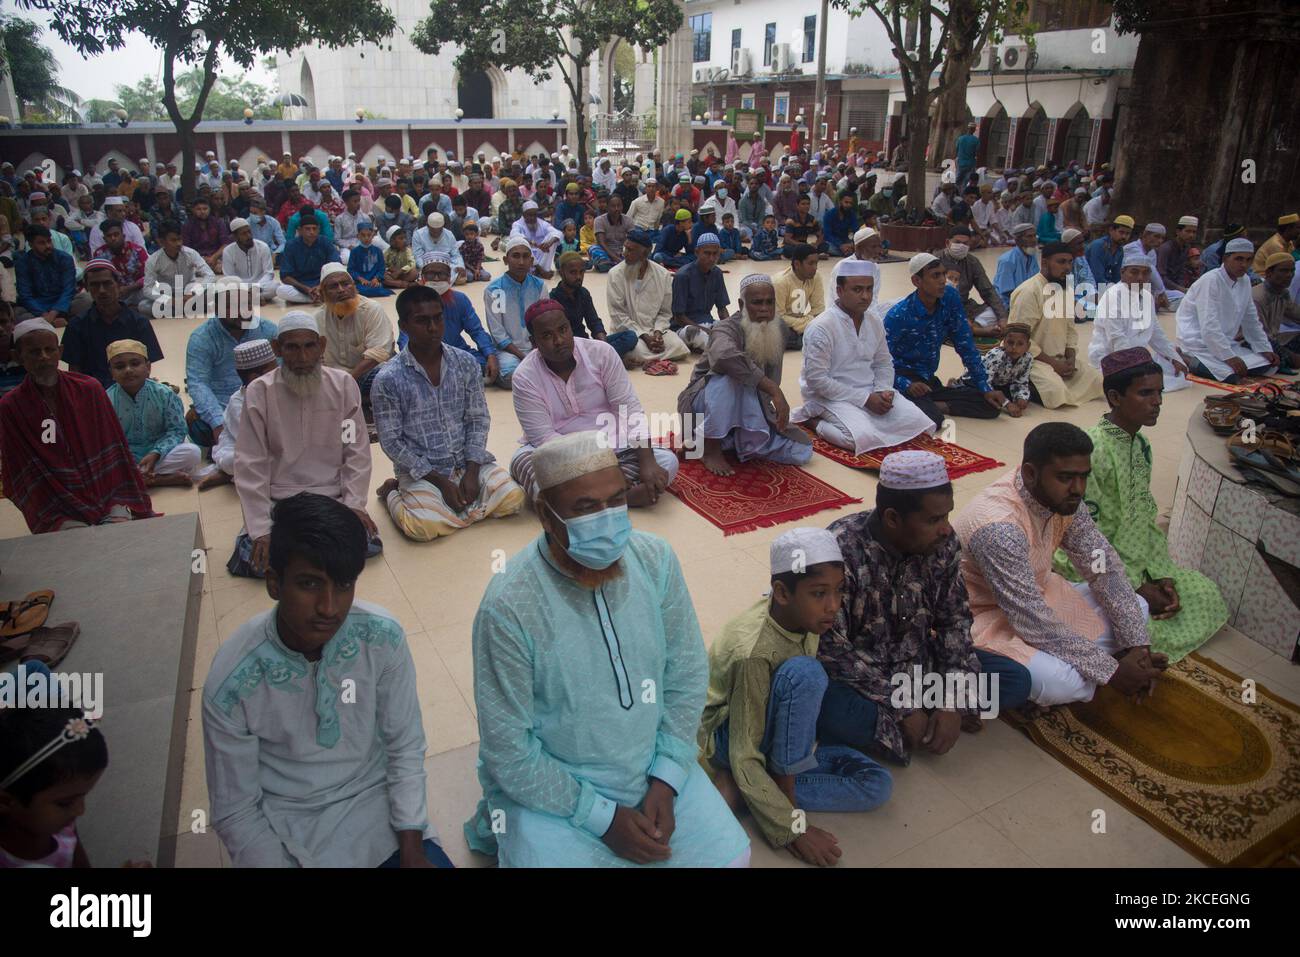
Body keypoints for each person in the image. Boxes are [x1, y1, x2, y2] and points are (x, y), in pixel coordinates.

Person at [465, 430, 752, 868]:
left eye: (616, 500)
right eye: (586, 508)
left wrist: (667, 778)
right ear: (546, 515)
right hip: (558, 793)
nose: (608, 518)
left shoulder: (655, 559)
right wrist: (602, 818)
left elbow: (688, 673)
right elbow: (508, 750)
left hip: (652, 766)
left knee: (733, 859)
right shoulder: (509, 605)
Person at [204, 493, 446, 868]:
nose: (329, 608)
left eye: (344, 584)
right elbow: (236, 812)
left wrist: (412, 849)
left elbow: (404, 746)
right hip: (288, 831)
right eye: (310, 584)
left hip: (381, 814)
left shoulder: (381, 638)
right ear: (273, 583)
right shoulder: (233, 681)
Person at [700, 527, 892, 867]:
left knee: (876, 784)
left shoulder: (803, 618)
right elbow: (744, 750)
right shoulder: (754, 652)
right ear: (782, 593)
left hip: (767, 734)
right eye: (819, 593)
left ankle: (751, 793)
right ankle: (772, 795)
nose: (833, 606)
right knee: (806, 673)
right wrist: (792, 825)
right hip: (729, 737)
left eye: (838, 591)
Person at [953, 422, 1165, 707]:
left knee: (1137, 607)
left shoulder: (1065, 500)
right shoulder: (999, 526)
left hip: (1041, 596)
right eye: (1066, 477)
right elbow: (1030, 619)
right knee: (1056, 683)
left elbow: (1103, 568)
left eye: (1083, 477)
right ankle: (1087, 669)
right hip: (984, 616)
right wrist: (1111, 671)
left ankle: (1088, 667)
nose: (1078, 489)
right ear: (1030, 473)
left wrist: (1138, 648)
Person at [818, 450, 1006, 759]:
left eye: (947, 515)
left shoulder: (943, 543)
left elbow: (954, 620)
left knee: (1014, 679)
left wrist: (951, 700)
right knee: (821, 698)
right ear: (892, 518)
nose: (946, 527)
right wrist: (902, 706)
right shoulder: (841, 549)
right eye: (934, 519)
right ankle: (900, 722)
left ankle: (914, 720)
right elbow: (830, 649)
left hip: (917, 667)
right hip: (861, 679)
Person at [1051, 349, 1228, 661]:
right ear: (1116, 398)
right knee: (1133, 622)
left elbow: (1146, 519)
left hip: (1139, 564)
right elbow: (1078, 540)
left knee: (1205, 593)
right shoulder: (1094, 452)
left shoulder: (1141, 445)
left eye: (1159, 392)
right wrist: (1133, 587)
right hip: (1094, 570)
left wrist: (1162, 576)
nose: (1157, 401)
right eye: (1146, 393)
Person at [231, 312, 380, 578]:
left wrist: (354, 505)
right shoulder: (260, 391)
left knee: (365, 544)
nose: (302, 358)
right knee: (255, 556)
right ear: (277, 348)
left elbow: (356, 452)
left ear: (321, 346)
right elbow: (249, 463)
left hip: (332, 498)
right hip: (279, 502)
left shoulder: (343, 385)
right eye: (292, 347)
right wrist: (261, 530)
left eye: (309, 346)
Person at [370, 286, 524, 542]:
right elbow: (391, 442)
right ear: (404, 325)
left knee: (514, 498)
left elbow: (477, 419)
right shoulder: (388, 378)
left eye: (438, 318)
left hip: (467, 462)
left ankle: (450, 512)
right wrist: (440, 481)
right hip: (422, 470)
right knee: (422, 528)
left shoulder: (465, 363)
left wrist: (473, 471)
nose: (433, 327)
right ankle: (392, 493)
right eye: (422, 321)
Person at [510, 299, 677, 507]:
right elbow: (544, 438)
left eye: (563, 330)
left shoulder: (601, 353)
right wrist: (603, 470)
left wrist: (647, 461)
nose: (559, 340)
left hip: (613, 445)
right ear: (534, 342)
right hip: (562, 455)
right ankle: (620, 497)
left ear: (571, 327)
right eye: (547, 336)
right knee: (523, 462)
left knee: (666, 461)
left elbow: (628, 407)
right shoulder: (524, 377)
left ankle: (586, 501)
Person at [0, 319, 155, 532]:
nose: (44, 357)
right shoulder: (11, 406)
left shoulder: (89, 389)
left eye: (49, 350)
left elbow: (115, 451)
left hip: (107, 490)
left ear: (60, 351)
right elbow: (19, 468)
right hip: (55, 501)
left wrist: (112, 497)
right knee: (77, 543)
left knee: (116, 532)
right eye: (35, 352)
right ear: (18, 357)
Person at [792, 259, 935, 454]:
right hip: (829, 397)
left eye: (869, 289)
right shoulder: (821, 327)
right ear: (840, 291)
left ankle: (864, 418)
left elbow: (884, 363)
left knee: (919, 423)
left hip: (870, 390)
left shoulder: (874, 320)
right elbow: (817, 381)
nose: (865, 296)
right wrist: (865, 399)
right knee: (858, 438)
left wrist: (883, 389)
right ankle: (813, 421)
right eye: (857, 290)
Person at [677, 273, 812, 476]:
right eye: (757, 303)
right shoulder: (725, 327)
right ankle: (710, 446)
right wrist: (773, 389)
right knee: (729, 377)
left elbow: (771, 376)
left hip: (753, 401)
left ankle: (731, 440)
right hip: (704, 402)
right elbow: (724, 356)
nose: (765, 309)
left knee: (801, 451)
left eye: (770, 302)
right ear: (741, 304)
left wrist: (768, 406)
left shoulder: (779, 328)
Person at [885, 253, 1007, 426]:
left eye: (943, 273)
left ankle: (931, 405)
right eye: (936, 276)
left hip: (928, 380)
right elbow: (879, 362)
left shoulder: (949, 297)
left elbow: (965, 343)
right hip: (902, 378)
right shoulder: (899, 315)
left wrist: (984, 387)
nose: (943, 280)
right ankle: (925, 406)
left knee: (990, 405)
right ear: (916, 281)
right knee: (933, 421)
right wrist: (906, 384)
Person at [0, 704, 110, 868]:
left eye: (82, 797)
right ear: (6, 802)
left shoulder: (61, 824)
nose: (80, 811)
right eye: (65, 803)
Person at [184, 276, 279, 448]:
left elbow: (283, 369)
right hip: (223, 405)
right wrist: (218, 423)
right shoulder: (202, 338)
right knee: (200, 428)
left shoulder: (268, 329)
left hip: (265, 400)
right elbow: (198, 383)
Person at [1007, 241, 1104, 407]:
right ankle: (1020, 384)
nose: (1067, 267)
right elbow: (1018, 340)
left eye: (1070, 262)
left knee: (1097, 380)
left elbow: (1070, 330)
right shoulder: (1029, 291)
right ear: (1044, 263)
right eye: (1061, 262)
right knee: (1056, 392)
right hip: (1030, 359)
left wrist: (1071, 358)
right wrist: (1054, 364)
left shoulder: (1065, 289)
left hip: (1059, 358)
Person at [1175, 237, 1278, 382]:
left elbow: (1251, 320)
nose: (1244, 264)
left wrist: (1264, 347)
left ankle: (1221, 361)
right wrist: (1229, 357)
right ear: (1225, 258)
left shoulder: (1245, 281)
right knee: (1230, 375)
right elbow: (1209, 326)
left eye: (1248, 260)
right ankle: (1185, 358)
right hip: (1198, 342)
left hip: (1226, 342)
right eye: (1239, 259)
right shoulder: (1210, 281)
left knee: (1267, 363)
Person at [106, 339, 202, 486]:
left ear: (148, 367)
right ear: (112, 373)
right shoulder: (105, 399)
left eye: (135, 364)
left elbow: (177, 430)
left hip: (159, 451)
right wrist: (126, 458)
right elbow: (105, 439)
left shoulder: (165, 394)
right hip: (125, 457)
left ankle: (138, 479)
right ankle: (157, 480)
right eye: (120, 366)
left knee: (192, 453)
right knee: (98, 464)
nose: (128, 370)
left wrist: (156, 453)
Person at [1091, 251, 1191, 391]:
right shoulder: (1113, 296)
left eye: (1145, 273)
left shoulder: (1147, 296)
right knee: (1144, 384)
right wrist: (1136, 365)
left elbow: (1156, 333)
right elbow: (1116, 338)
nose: (1140, 277)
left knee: (1176, 370)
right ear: (1122, 272)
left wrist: (1174, 358)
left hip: (1139, 357)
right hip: (1111, 356)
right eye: (1134, 272)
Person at [60, 259, 164, 389]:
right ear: (86, 288)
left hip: (130, 391)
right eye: (95, 285)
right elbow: (74, 372)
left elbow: (145, 369)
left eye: (107, 283)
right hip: (92, 395)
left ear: (118, 284)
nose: (102, 290)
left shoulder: (139, 323)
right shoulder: (76, 326)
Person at [201, 339, 279, 490]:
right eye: (274, 371)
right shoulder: (238, 402)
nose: (279, 373)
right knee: (238, 461)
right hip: (246, 449)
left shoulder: (278, 390)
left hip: (273, 448)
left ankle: (235, 477)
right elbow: (253, 443)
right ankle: (229, 475)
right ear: (255, 377)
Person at [314, 263, 395, 407]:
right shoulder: (318, 318)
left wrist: (347, 382)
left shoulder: (371, 309)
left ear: (354, 286)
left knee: (387, 377)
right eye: (333, 286)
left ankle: (354, 401)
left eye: (345, 284)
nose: (341, 290)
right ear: (322, 294)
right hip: (334, 379)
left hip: (366, 374)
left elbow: (379, 353)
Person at [605, 228, 688, 367]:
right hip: (629, 333)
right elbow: (618, 315)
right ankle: (649, 356)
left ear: (645, 253)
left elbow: (665, 312)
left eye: (630, 250)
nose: (624, 254)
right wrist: (644, 336)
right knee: (636, 350)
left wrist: (657, 334)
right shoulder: (615, 274)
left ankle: (649, 356)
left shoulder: (663, 275)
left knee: (679, 346)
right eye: (625, 248)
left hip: (654, 330)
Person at [484, 237, 546, 388]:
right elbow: (498, 333)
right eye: (516, 256)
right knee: (512, 377)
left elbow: (544, 322)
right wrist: (522, 356)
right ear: (506, 260)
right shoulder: (494, 290)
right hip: (507, 351)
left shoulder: (539, 286)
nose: (521, 262)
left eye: (525, 257)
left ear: (531, 261)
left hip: (535, 347)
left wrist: (536, 350)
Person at [950, 322, 1033, 417]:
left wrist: (1021, 397)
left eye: (1020, 344)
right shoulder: (996, 355)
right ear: (1003, 342)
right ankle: (956, 385)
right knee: (978, 398)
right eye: (1010, 343)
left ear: (1028, 346)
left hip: (998, 383)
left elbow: (1021, 382)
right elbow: (984, 383)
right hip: (977, 380)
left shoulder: (1028, 358)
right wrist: (1007, 403)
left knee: (1027, 394)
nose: (1014, 347)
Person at [14, 226, 87, 326]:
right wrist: (43, 314)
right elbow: (25, 294)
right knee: (18, 314)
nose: (48, 246)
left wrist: (54, 313)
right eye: (41, 243)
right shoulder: (23, 263)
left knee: (86, 300)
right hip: (38, 306)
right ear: (31, 244)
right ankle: (58, 322)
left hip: (64, 303)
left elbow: (69, 289)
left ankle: (48, 323)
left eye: (49, 241)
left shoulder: (64, 258)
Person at [141, 221, 216, 318]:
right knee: (143, 306)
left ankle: (179, 311)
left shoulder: (191, 253)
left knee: (216, 294)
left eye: (180, 239)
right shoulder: (153, 260)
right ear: (161, 242)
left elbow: (210, 275)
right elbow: (147, 289)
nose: (178, 243)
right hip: (168, 296)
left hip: (189, 293)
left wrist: (194, 294)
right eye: (173, 240)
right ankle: (187, 309)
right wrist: (170, 300)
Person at [670, 233, 730, 352]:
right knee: (695, 333)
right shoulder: (683, 276)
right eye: (707, 253)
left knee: (736, 328)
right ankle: (721, 350)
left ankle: (719, 347)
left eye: (715, 254)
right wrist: (706, 331)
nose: (712, 258)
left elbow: (722, 309)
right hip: (684, 328)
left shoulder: (717, 273)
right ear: (697, 252)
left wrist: (729, 328)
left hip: (708, 324)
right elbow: (679, 317)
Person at [1252, 252, 1300, 370]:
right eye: (1283, 271)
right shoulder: (1258, 297)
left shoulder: (1283, 293)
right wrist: (1289, 355)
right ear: (1269, 273)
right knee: (1270, 363)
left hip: (1275, 339)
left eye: (1292, 271)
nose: (1289, 275)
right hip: (1253, 343)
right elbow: (1258, 336)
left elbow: (1297, 314)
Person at [276, 219, 341, 304]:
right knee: (281, 291)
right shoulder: (291, 245)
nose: (311, 232)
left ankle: (316, 297)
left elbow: (336, 266)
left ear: (318, 230)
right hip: (300, 285)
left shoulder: (325, 242)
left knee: (339, 283)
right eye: (307, 229)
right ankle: (320, 298)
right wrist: (307, 289)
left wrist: (320, 286)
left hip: (323, 283)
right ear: (300, 231)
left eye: (314, 229)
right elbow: (285, 276)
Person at [773, 244, 825, 349]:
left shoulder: (816, 277)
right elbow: (778, 317)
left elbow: (819, 310)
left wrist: (808, 323)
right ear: (797, 264)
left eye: (816, 263)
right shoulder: (780, 282)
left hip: (800, 325)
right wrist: (808, 323)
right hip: (781, 327)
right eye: (811, 263)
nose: (815, 268)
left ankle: (803, 339)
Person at [549, 251, 608, 341]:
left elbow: (594, 322)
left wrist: (603, 344)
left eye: (581, 272)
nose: (578, 277)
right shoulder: (553, 299)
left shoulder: (583, 293)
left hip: (585, 341)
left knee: (629, 337)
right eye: (573, 272)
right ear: (561, 273)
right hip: (568, 346)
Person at [220, 217, 278, 303]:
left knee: (275, 286)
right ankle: (253, 298)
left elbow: (269, 273)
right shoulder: (228, 251)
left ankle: (246, 299)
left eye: (249, 232)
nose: (249, 236)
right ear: (235, 237)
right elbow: (229, 276)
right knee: (222, 287)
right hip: (239, 287)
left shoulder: (263, 247)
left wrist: (255, 288)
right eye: (244, 234)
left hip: (260, 285)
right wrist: (244, 290)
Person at [1123, 223, 1175, 311]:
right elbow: (1150, 269)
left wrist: (1156, 294)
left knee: (1180, 295)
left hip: (1143, 288)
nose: (1160, 241)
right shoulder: (1132, 248)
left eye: (1162, 238)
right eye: (1157, 236)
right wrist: (1161, 293)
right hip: (1128, 287)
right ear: (1145, 235)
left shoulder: (1152, 252)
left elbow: (1149, 277)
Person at [993, 223, 1039, 307]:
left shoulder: (1032, 256)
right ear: (1017, 240)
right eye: (1029, 236)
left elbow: (1037, 282)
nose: (1034, 240)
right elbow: (1008, 292)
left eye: (1034, 236)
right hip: (1007, 303)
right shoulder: (1007, 260)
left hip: (1027, 300)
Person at [180, 197, 231, 271]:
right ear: (193, 210)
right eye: (199, 209)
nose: (202, 212)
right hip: (197, 259)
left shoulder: (218, 222)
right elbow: (186, 248)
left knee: (224, 268)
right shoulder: (187, 226)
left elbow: (225, 244)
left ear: (209, 209)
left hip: (217, 257)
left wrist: (213, 257)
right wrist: (201, 259)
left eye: (205, 209)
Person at [1084, 214, 1133, 287]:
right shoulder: (1098, 246)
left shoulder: (1120, 250)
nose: (1124, 236)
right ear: (1111, 230)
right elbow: (1097, 276)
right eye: (1121, 232)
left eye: (1127, 234)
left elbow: (1117, 276)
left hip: (1106, 286)